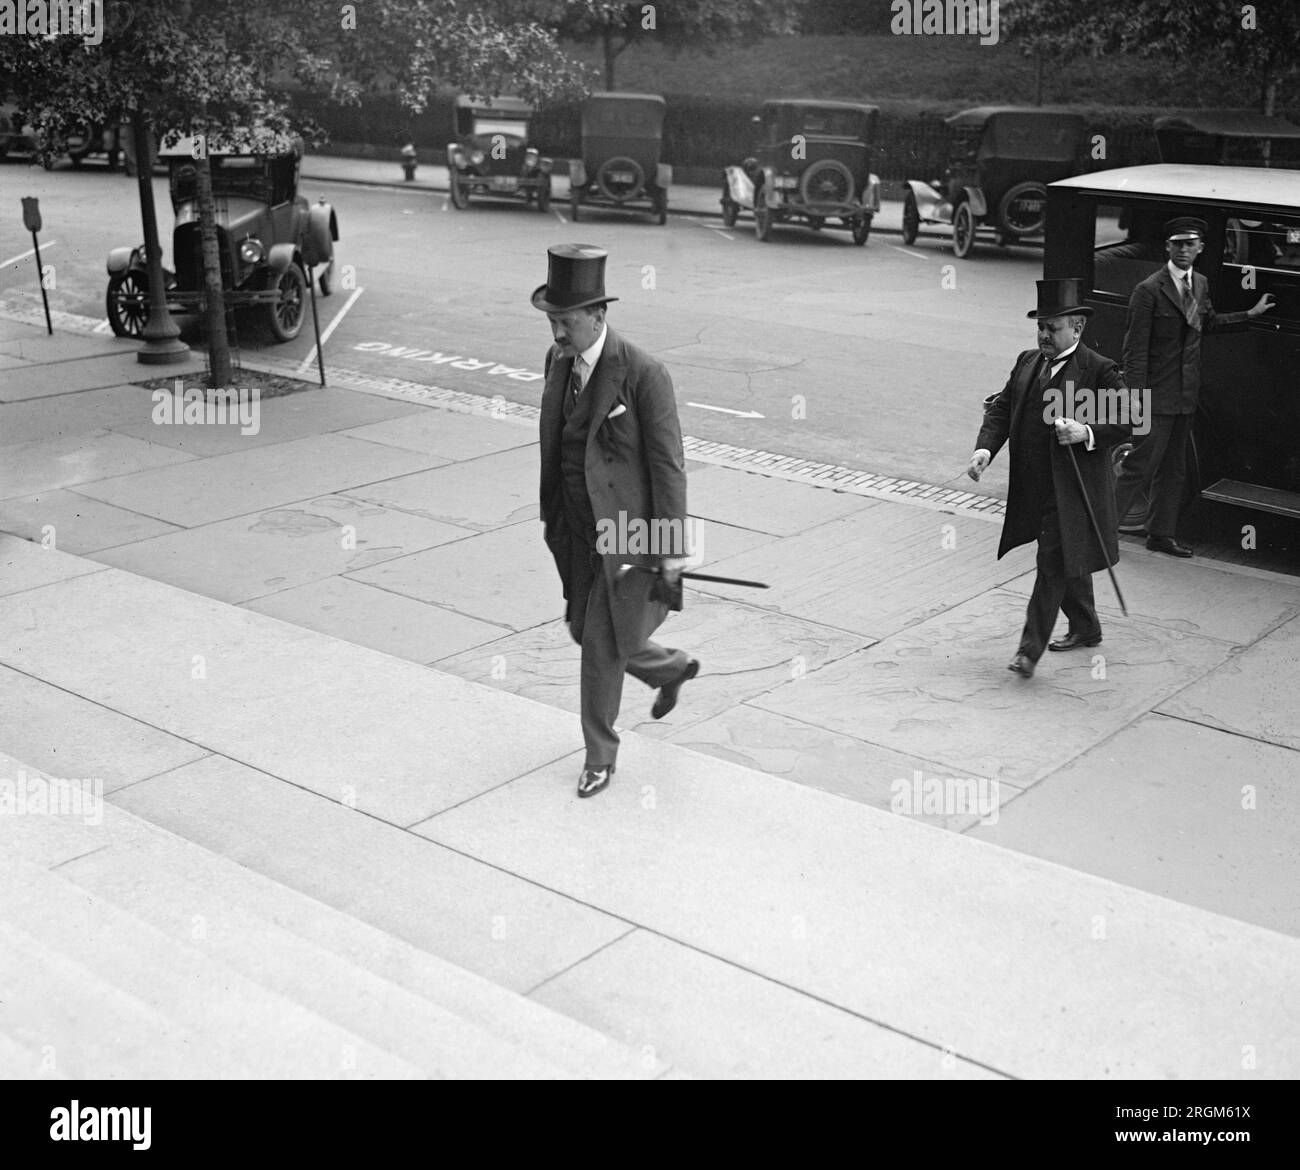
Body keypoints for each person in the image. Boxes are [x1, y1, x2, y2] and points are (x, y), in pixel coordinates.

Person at [534, 244, 699, 798]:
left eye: (566, 321)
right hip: (575, 528)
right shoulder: (558, 362)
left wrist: (670, 550)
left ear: (598, 315)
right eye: (553, 320)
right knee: (584, 629)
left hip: (630, 533)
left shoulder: (645, 374)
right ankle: (668, 668)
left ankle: (599, 756)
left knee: (602, 645)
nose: (557, 332)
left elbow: (668, 464)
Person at [968, 278, 1133, 679]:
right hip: (1035, 487)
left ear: (1077, 328)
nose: (1043, 334)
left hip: (1073, 492)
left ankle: (1028, 651)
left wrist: (1086, 431)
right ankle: (1086, 625)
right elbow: (1003, 407)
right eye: (1040, 325)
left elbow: (1131, 418)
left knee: (1052, 562)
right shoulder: (1028, 362)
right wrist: (985, 449)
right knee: (1066, 556)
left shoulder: (1098, 370)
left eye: (1052, 327)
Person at [1113, 216, 1275, 557]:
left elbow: (1209, 322)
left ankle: (1160, 534)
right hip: (1155, 395)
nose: (1184, 249)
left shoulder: (1199, 283)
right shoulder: (1148, 291)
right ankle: (1099, 531)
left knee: (1174, 469)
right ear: (1167, 247)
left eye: (1190, 244)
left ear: (1200, 248)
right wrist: (1133, 395)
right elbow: (1134, 349)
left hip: (1186, 395)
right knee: (1138, 467)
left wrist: (1249, 314)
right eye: (1177, 244)